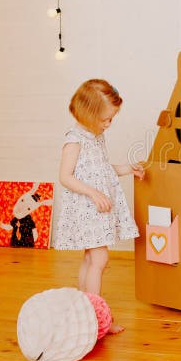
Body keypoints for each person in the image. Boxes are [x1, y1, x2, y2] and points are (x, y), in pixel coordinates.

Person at [53, 79, 144, 334]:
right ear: (88, 114)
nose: (109, 124)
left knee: (92, 258)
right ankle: (96, 316)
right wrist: (93, 193)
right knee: (100, 258)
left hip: (95, 208)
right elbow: (65, 176)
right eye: (105, 119)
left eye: (111, 119)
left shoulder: (96, 136)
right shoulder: (75, 140)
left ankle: (85, 308)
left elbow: (101, 168)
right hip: (86, 207)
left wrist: (128, 169)